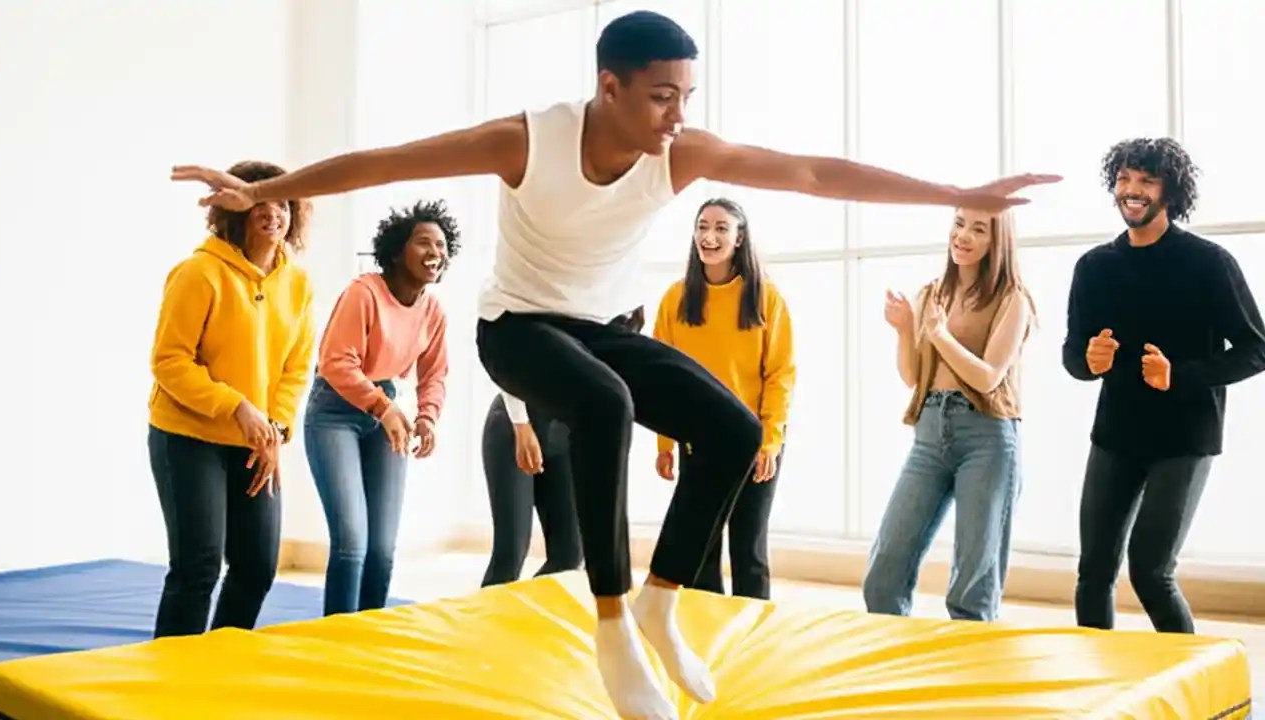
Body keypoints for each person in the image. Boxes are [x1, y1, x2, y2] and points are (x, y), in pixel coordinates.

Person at [171, 11, 1059, 718]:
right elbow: (386, 162)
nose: (680, 115)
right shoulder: (528, 138)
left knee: (735, 429)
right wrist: (264, 191)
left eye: (688, 95)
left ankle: (661, 605)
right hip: (516, 328)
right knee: (603, 406)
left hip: (601, 326)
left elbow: (811, 174)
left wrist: (955, 194)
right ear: (610, 87)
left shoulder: (679, 154)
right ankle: (609, 618)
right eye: (663, 96)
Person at [1063, 138, 1265, 634]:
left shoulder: (1209, 263)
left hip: (1185, 438)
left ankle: (1200, 700)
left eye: (1146, 181)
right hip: (1116, 435)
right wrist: (1089, 362)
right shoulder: (1094, 267)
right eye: (1125, 180)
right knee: (1093, 573)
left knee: (1151, 572)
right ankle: (1099, 694)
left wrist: (1180, 375)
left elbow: (1256, 348)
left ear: (1170, 192)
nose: (1132, 191)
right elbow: (1073, 358)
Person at [147, 160, 314, 638]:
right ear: (231, 209)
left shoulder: (299, 284)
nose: (272, 213)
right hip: (187, 436)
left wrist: (275, 427)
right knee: (197, 568)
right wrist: (237, 406)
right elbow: (169, 362)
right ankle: (172, 686)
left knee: (258, 566)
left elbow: (296, 367)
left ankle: (213, 670)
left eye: (281, 202)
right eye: (258, 200)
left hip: (256, 441)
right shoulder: (198, 273)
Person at [862, 208, 1034, 623]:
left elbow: (989, 376)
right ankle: (892, 664)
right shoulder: (931, 294)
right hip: (928, 432)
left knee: (973, 583)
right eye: (960, 224)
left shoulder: (1013, 299)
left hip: (987, 437)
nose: (964, 235)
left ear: (997, 241)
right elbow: (914, 377)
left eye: (979, 229)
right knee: (885, 567)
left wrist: (940, 334)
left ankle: (970, 677)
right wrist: (905, 330)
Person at [303, 200, 458, 616]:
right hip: (336, 409)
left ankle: (368, 639)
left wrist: (428, 416)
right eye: (423, 242)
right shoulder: (364, 293)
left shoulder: (432, 309)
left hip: (384, 408)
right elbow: (336, 362)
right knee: (352, 542)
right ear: (396, 251)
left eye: (442, 245)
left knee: (382, 549)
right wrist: (382, 406)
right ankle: (337, 637)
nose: (435, 252)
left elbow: (435, 372)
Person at [652, 198, 794, 600]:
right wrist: (665, 443)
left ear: (739, 237)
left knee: (748, 548)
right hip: (699, 439)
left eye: (720, 228)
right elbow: (661, 379)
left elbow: (781, 374)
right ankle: (706, 642)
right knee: (702, 550)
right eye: (702, 227)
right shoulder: (675, 298)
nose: (709, 236)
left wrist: (771, 441)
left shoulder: (766, 298)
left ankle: (753, 643)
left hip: (754, 437)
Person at [481, 306, 645, 588]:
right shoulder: (563, 300)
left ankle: (525, 621)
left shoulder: (628, 311)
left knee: (569, 556)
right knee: (510, 554)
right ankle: (485, 629)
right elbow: (510, 358)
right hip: (515, 426)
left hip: (565, 432)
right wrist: (521, 426)